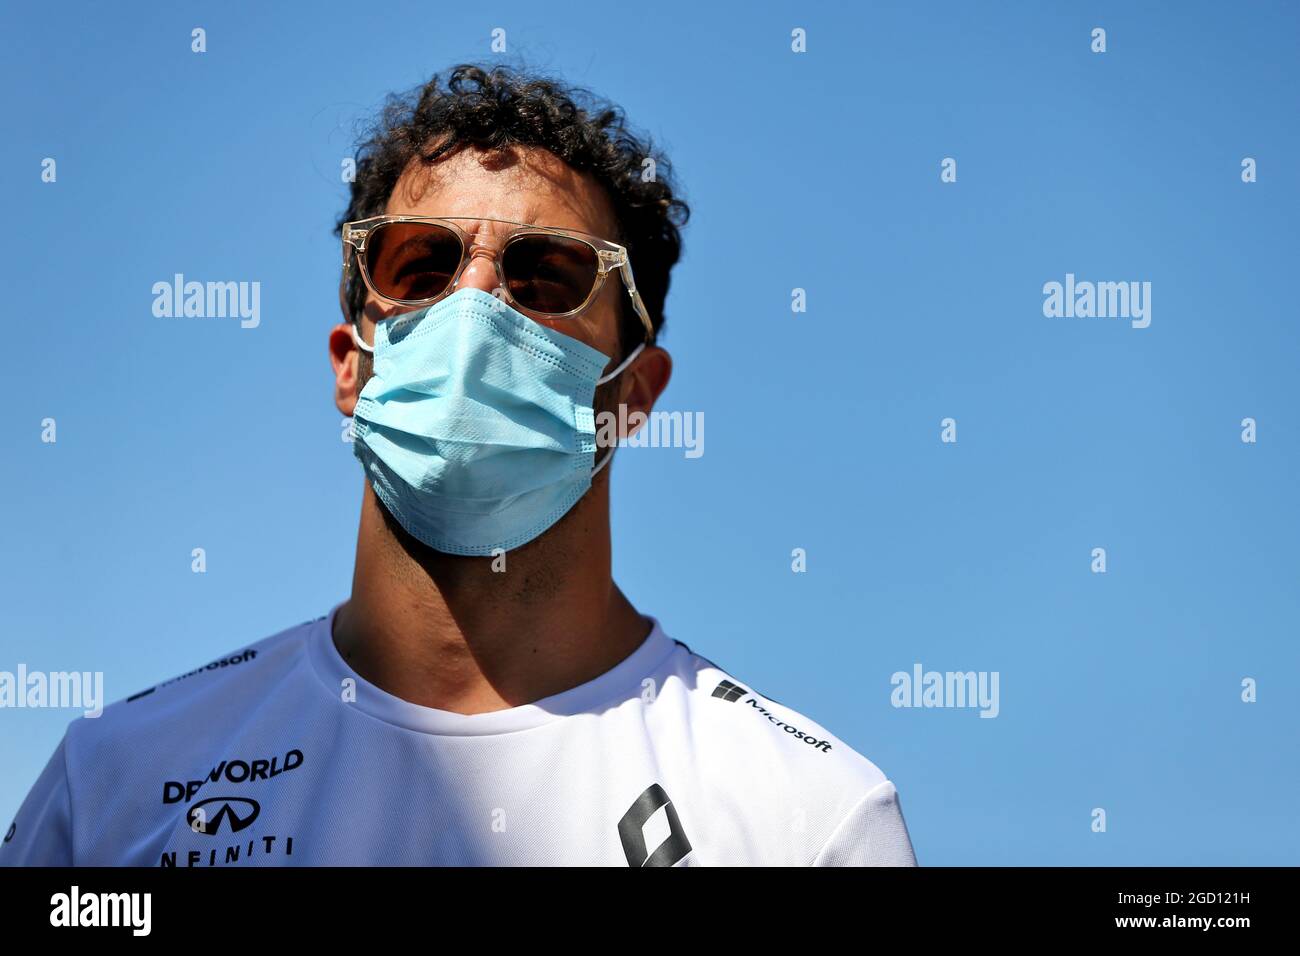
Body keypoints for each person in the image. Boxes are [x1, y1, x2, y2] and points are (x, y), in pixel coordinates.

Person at [1, 64, 917, 867]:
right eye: (421, 265)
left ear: (633, 393)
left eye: (547, 277)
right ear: (350, 368)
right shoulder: (118, 784)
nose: (474, 303)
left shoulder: (806, 821)